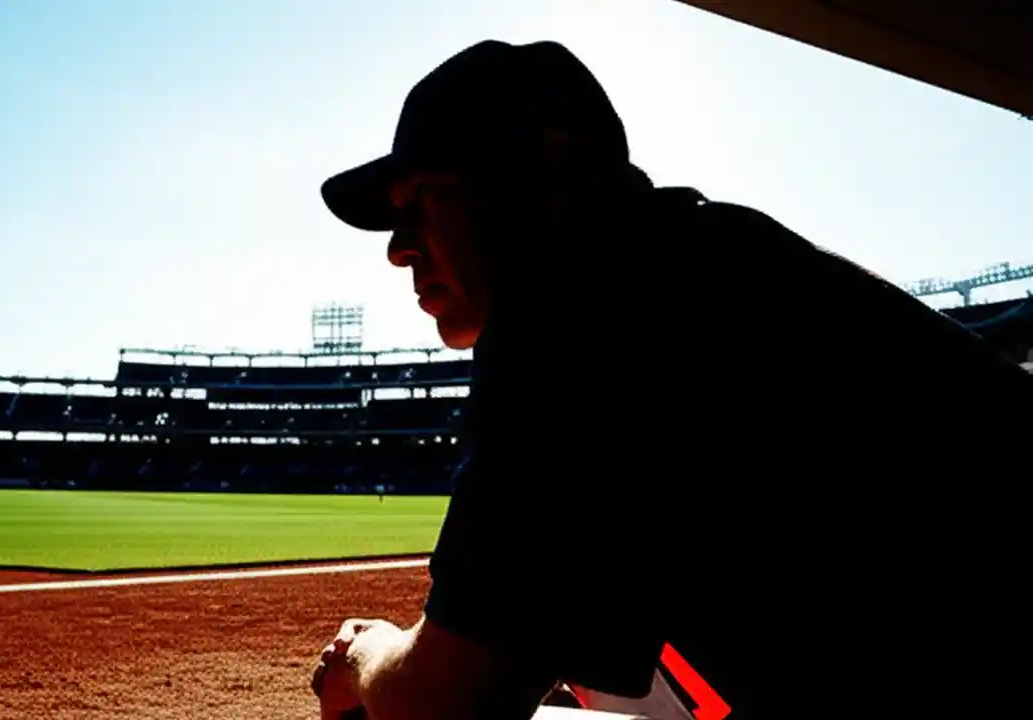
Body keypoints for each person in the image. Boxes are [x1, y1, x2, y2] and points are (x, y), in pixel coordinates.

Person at [311, 39, 1032, 719]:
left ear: (542, 169)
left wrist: (365, 653)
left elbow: (443, 704)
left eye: (421, 201)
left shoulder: (575, 305)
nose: (399, 252)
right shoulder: (714, 253)